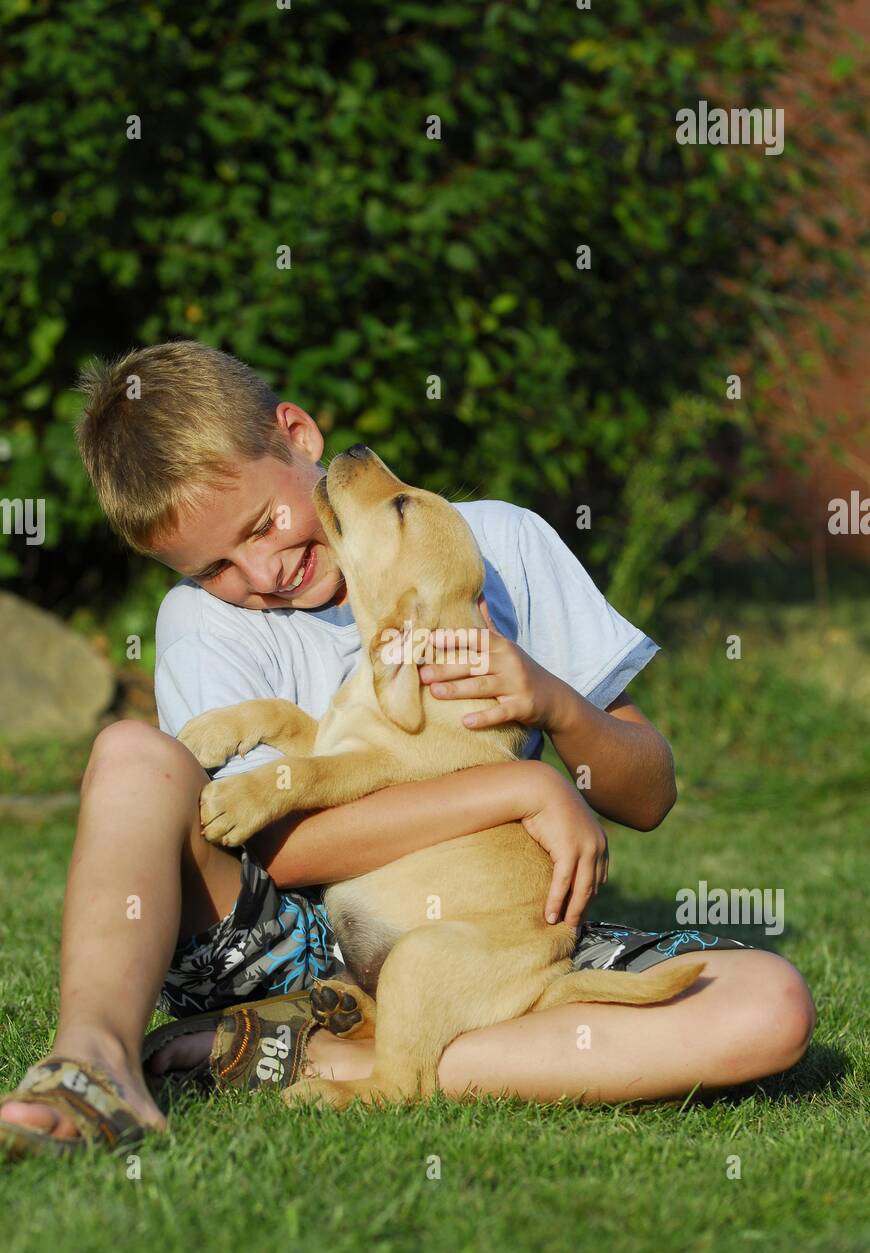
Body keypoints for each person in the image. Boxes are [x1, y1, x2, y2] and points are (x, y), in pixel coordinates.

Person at [0, 343, 815, 1155]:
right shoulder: (204, 624)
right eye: (216, 564)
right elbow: (283, 851)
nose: (262, 569)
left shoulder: (498, 546)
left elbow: (648, 793)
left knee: (766, 1004)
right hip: (279, 945)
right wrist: (524, 792)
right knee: (129, 753)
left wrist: (556, 704)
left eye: (261, 524)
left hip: (472, 950)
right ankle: (94, 1060)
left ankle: (345, 1056)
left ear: (297, 434)